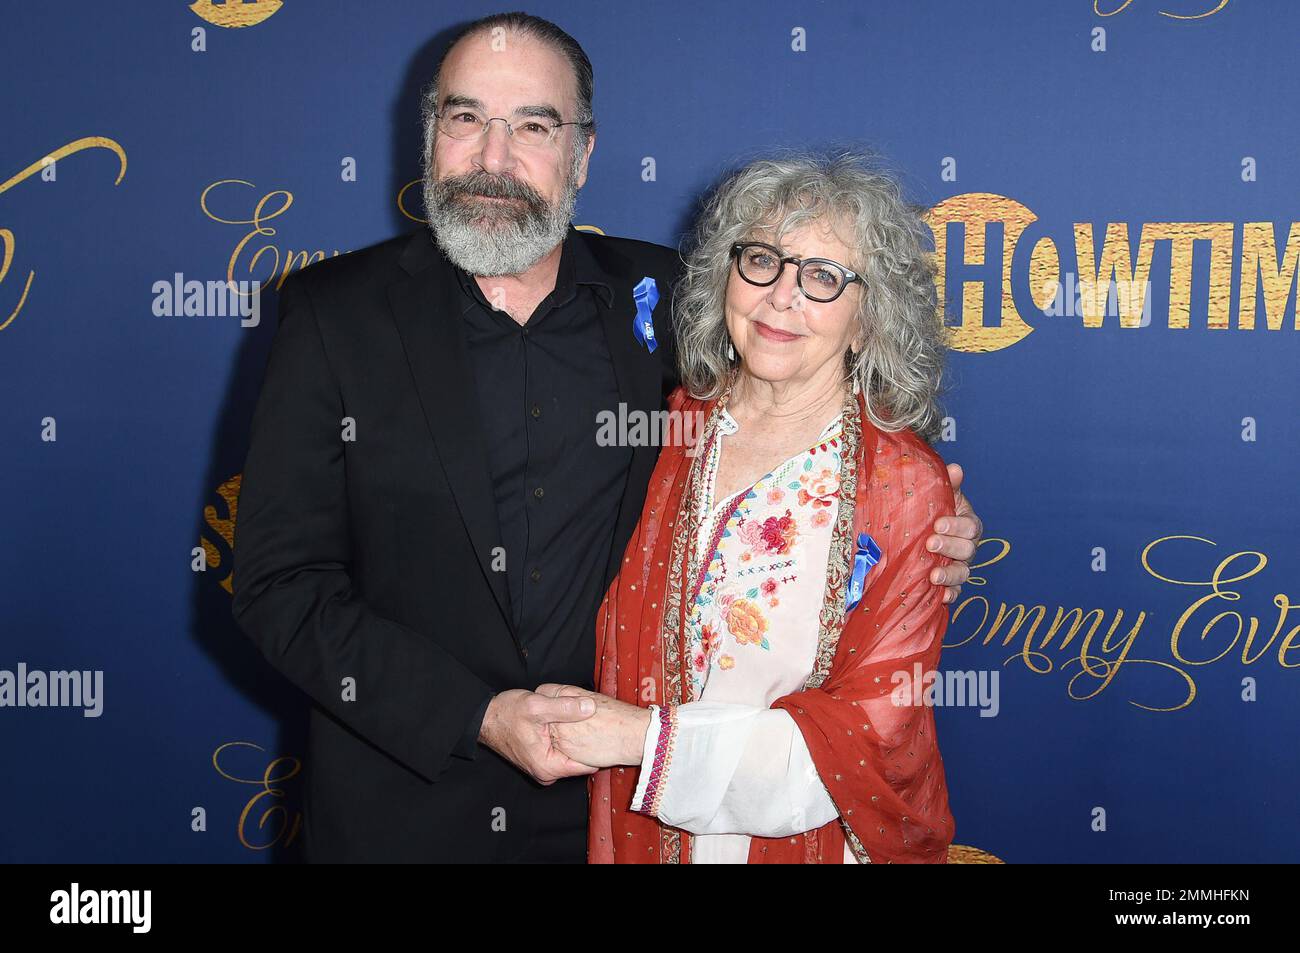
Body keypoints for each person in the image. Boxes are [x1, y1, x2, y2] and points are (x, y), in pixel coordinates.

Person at [232, 12, 982, 863]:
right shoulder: (332, 314)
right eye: (466, 117)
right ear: (429, 134)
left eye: (534, 126)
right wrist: (476, 716)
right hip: (401, 807)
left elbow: (816, 413)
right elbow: (277, 586)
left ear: (583, 154)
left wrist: (926, 513)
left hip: (621, 814)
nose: (494, 158)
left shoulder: (668, 303)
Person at [544, 152, 962, 863]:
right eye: (762, 259)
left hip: (806, 838)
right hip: (647, 832)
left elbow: (870, 739)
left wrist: (636, 739)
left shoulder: (904, 489)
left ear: (869, 319)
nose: (780, 297)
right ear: (724, 276)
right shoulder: (665, 429)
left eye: (824, 277)